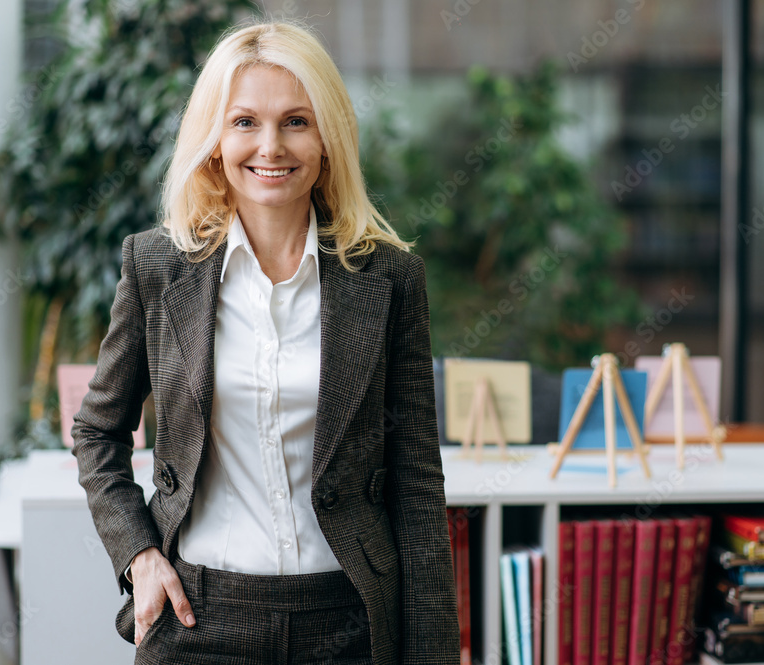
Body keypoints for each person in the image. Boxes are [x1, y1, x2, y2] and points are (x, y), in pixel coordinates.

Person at [70, 19, 459, 665]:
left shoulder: (389, 278)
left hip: (349, 621)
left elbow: (417, 483)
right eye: (245, 120)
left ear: (329, 137)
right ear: (214, 139)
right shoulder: (158, 266)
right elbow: (97, 431)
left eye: (296, 121)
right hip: (198, 620)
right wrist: (138, 555)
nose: (270, 146)